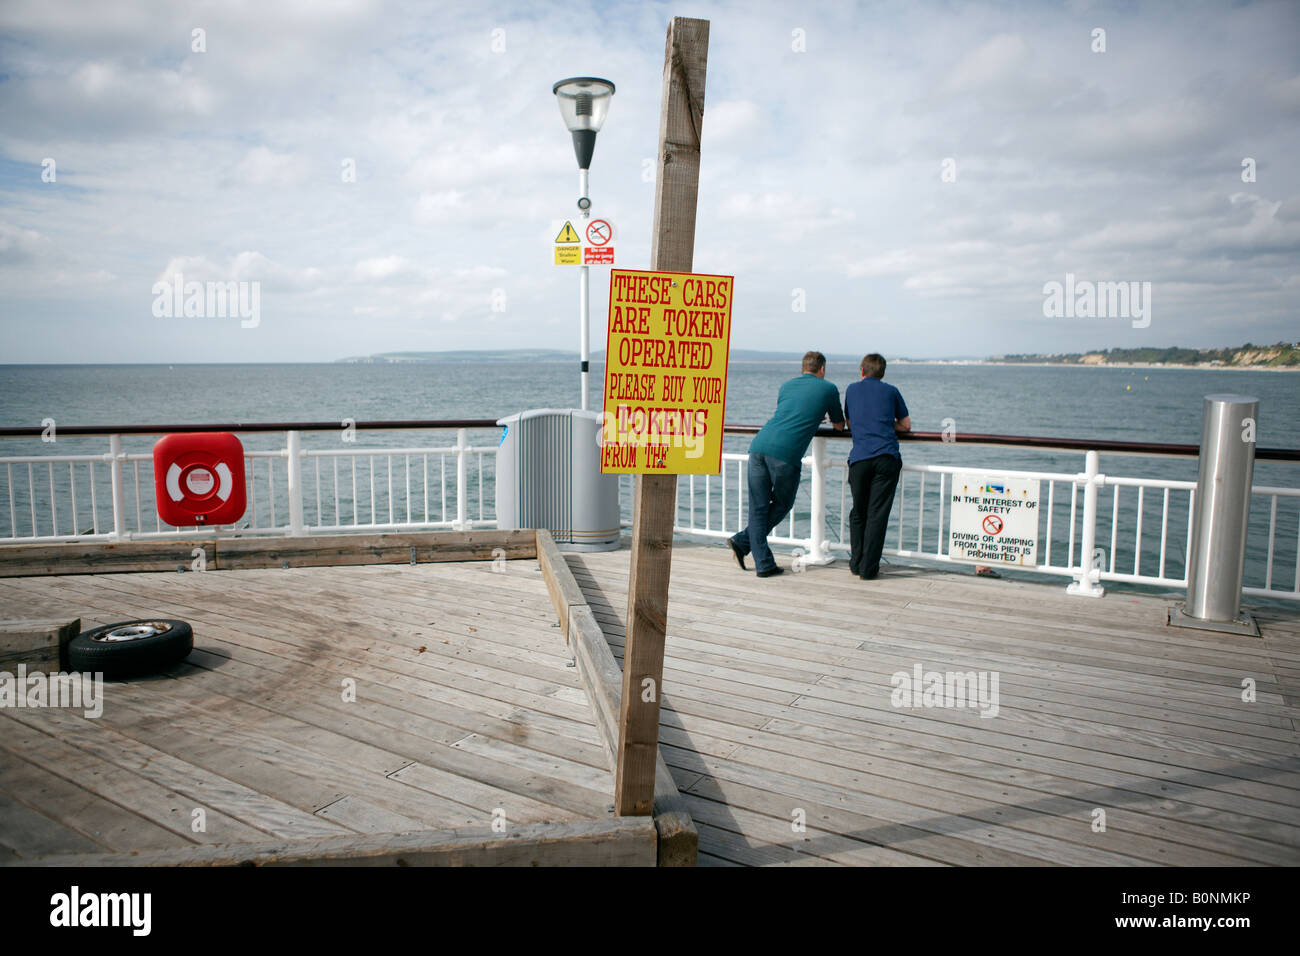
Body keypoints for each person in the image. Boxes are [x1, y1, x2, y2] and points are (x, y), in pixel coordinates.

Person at [728, 351, 844, 577]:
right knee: (782, 504)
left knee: (759, 507)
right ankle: (746, 546)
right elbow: (839, 425)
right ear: (822, 369)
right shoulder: (828, 388)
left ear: (803, 368)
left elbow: (789, 412)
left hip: (759, 446)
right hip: (785, 454)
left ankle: (755, 554)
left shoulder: (786, 386)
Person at [843, 353, 910, 580]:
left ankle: (855, 563)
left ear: (862, 371)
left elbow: (850, 422)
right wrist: (886, 423)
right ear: (882, 373)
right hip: (885, 458)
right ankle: (869, 569)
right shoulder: (891, 391)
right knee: (877, 515)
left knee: (858, 512)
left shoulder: (851, 390)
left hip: (859, 459)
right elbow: (906, 425)